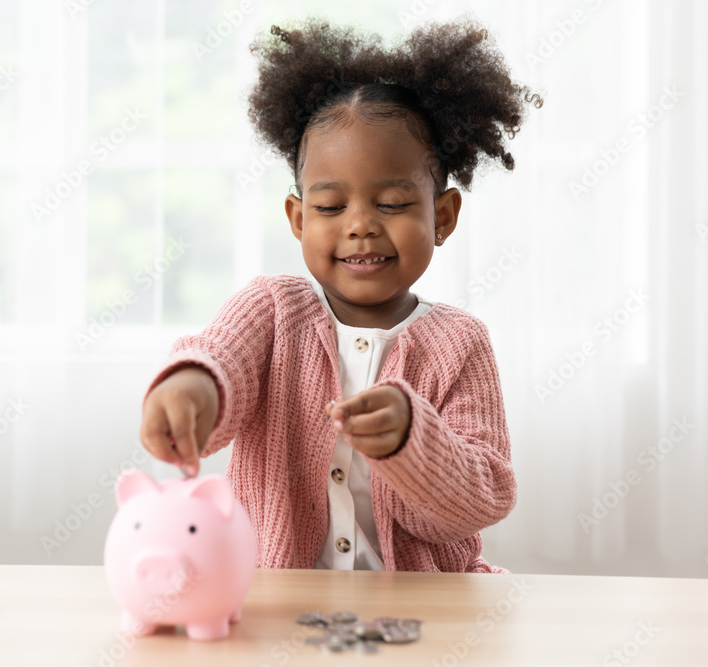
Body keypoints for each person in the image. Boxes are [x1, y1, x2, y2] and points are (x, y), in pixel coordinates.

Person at [139, 15, 541, 573]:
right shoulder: (271, 310)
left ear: (443, 216)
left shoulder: (460, 343)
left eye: (392, 204)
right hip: (280, 599)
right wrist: (193, 386)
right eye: (330, 206)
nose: (360, 226)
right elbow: (220, 360)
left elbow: (479, 503)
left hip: (424, 604)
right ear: (299, 218)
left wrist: (412, 441)